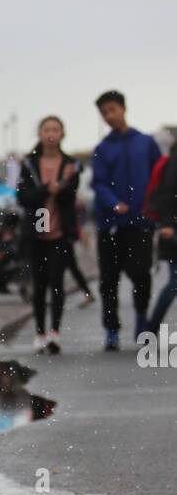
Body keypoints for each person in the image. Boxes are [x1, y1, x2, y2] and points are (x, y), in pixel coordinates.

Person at [92, 90, 160, 350]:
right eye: (104, 112)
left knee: (141, 273)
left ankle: (142, 319)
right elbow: (98, 183)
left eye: (112, 110)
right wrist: (113, 203)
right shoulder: (102, 149)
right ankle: (111, 329)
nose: (109, 116)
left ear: (123, 109)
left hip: (140, 222)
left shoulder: (145, 143)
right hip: (110, 224)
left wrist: (154, 211)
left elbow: (158, 178)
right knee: (109, 279)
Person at [16, 116, 81, 354]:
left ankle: (55, 332)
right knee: (39, 284)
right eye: (46, 129)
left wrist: (62, 188)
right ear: (40, 134)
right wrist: (45, 190)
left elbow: (71, 198)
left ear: (63, 134)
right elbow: (22, 197)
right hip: (37, 232)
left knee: (57, 282)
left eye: (56, 129)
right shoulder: (29, 164)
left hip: (59, 232)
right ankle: (40, 332)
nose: (51, 134)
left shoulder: (70, 164)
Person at [146, 136, 177, 334]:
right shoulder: (174, 163)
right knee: (175, 283)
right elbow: (167, 194)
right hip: (173, 230)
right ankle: (150, 329)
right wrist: (167, 224)